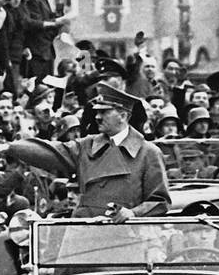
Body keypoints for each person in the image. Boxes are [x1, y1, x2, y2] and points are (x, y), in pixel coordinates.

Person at [11, 83, 169, 220]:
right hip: (84, 233)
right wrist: (9, 148)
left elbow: (160, 202)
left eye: (104, 112)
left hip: (126, 238)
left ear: (123, 116)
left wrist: (133, 213)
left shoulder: (148, 153)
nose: (98, 117)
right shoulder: (87, 145)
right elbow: (52, 151)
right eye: (97, 112)